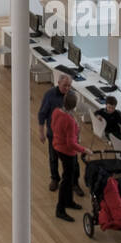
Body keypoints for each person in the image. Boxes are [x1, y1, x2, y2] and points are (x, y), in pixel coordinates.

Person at [51, 91, 90, 223]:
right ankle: (60, 209)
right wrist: (85, 150)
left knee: (70, 177)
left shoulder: (56, 112)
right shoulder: (69, 120)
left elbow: (53, 127)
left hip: (57, 147)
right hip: (67, 152)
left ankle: (68, 201)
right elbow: (71, 143)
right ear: (74, 106)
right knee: (66, 180)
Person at [38, 74, 72, 191]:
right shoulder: (49, 95)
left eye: (69, 86)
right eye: (65, 85)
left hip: (68, 135)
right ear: (58, 83)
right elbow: (42, 114)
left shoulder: (71, 95)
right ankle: (55, 179)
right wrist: (41, 132)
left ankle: (72, 182)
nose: (67, 88)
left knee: (71, 160)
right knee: (53, 157)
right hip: (54, 134)